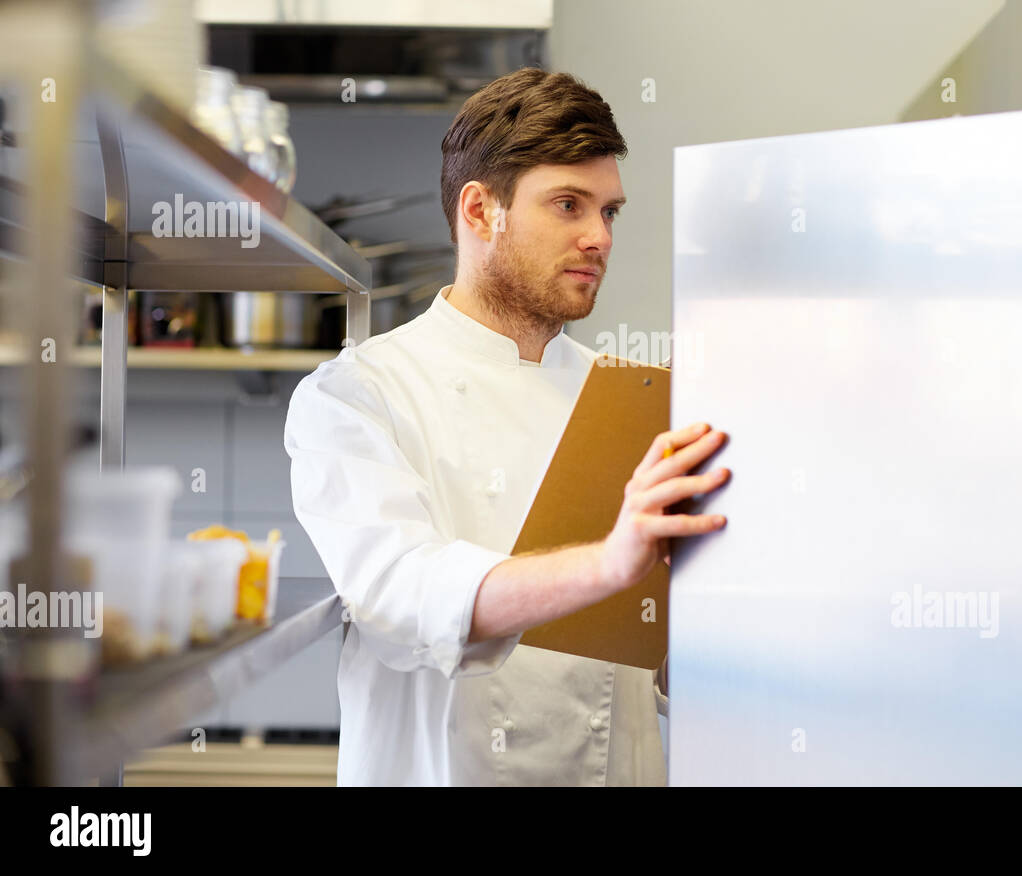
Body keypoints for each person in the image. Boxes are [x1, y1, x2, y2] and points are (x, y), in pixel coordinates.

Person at [283, 67, 730, 785]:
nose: (598, 238)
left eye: (608, 212)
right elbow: (399, 594)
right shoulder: (358, 395)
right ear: (480, 209)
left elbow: (660, 659)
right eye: (568, 205)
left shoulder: (630, 397)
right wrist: (610, 562)